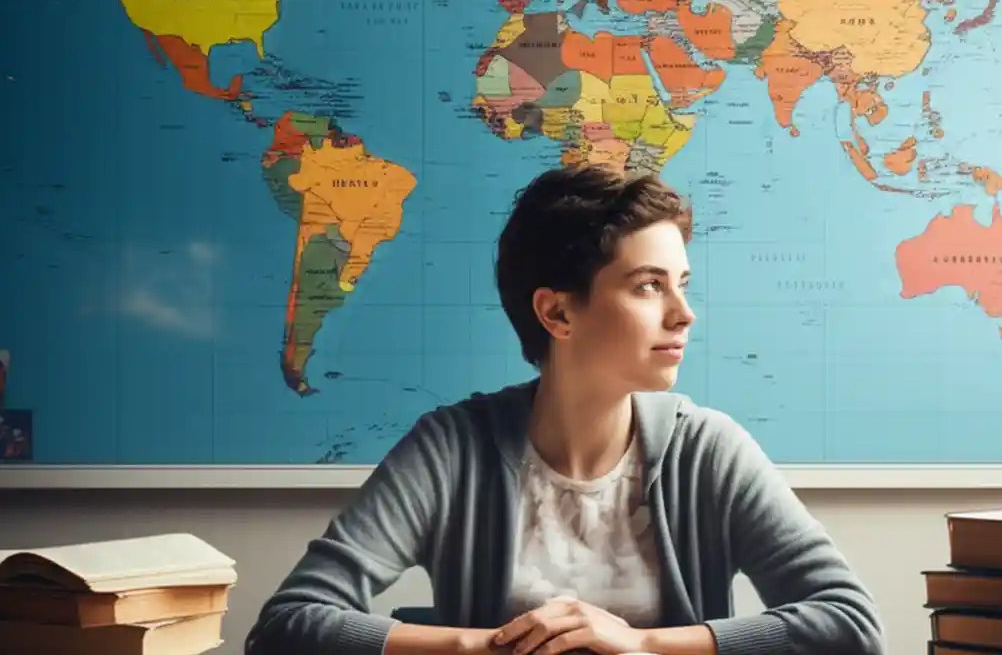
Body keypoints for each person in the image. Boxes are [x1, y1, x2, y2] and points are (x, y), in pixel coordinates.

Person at [245, 166, 884, 655]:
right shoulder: (453, 449)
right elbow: (287, 624)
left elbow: (850, 624)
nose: (683, 314)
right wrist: (476, 644)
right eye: (647, 286)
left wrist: (643, 644)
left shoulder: (707, 450)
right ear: (556, 312)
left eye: (680, 284)